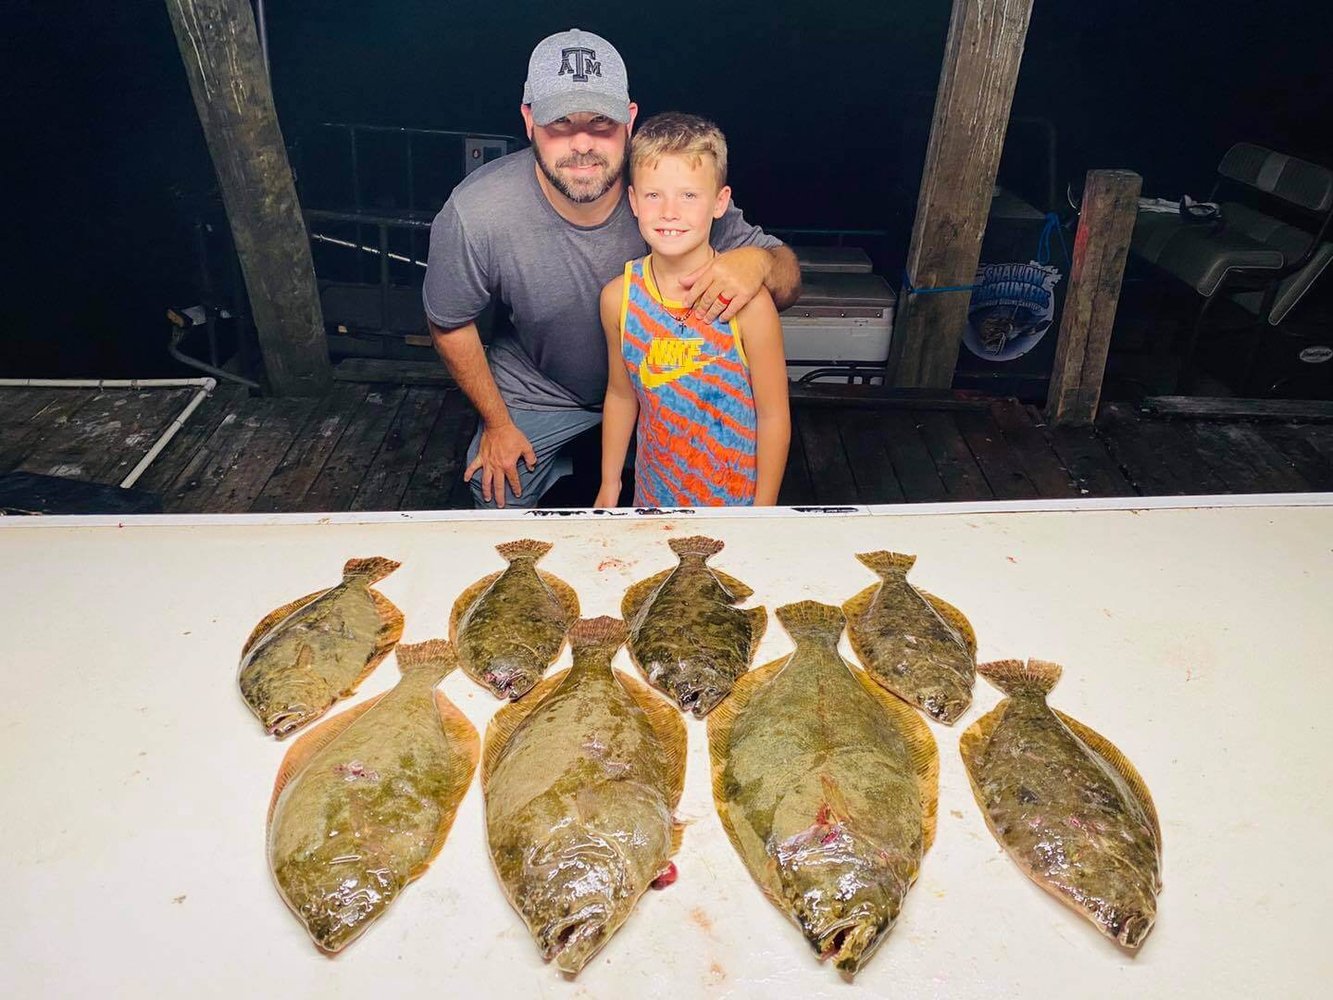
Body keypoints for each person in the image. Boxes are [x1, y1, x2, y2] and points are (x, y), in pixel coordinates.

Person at [423, 28, 801, 508]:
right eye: (560, 123)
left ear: (629, 119)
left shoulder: (666, 181)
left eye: (601, 122)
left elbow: (787, 278)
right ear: (528, 119)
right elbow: (449, 322)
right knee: (494, 488)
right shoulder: (476, 213)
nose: (582, 143)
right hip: (541, 386)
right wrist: (498, 423)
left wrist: (758, 261)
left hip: (667, 383)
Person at [595, 113, 790, 508]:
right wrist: (610, 485)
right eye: (654, 195)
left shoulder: (750, 304)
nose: (670, 211)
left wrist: (764, 514)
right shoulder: (619, 298)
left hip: (736, 507)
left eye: (689, 195)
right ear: (633, 200)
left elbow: (773, 416)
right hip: (651, 502)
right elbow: (620, 395)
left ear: (720, 202)